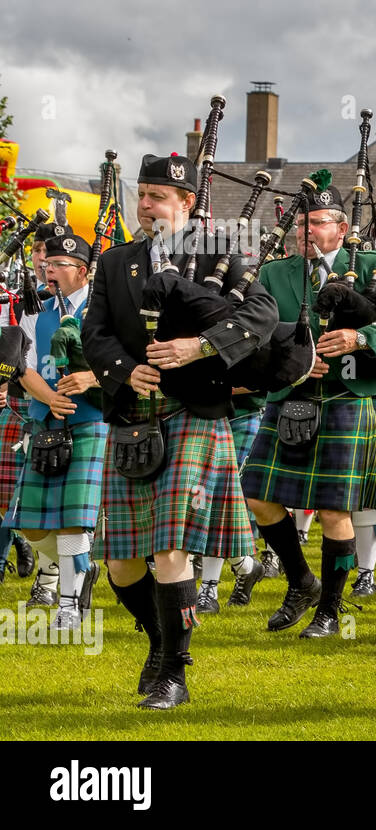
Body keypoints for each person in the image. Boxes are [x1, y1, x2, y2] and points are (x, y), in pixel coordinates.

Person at [84, 152, 279, 708]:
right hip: (133, 417)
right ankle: (160, 639)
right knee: (121, 563)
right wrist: (126, 371)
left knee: (170, 548)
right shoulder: (117, 261)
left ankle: (174, 672)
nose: (145, 206)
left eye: (158, 197)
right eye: (140, 195)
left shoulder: (219, 256)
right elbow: (94, 332)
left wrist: (201, 345)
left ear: (187, 204)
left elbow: (261, 316)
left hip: (193, 413)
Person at [242, 176, 376, 637]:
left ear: (340, 229)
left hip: (345, 399)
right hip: (289, 397)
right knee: (257, 495)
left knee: (334, 509)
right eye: (301, 224)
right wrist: (294, 359)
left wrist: (360, 337)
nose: (307, 232)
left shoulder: (374, 266)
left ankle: (329, 611)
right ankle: (301, 580)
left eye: (317, 223)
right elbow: (254, 331)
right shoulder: (275, 273)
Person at [5, 232, 103, 627]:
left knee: (72, 520)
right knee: (29, 524)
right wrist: (49, 398)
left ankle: (67, 605)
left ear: (81, 271)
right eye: (46, 265)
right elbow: (20, 366)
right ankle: (80, 565)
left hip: (90, 420)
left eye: (59, 265)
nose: (49, 270)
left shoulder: (102, 312)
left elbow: (125, 362)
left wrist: (90, 379)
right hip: (43, 419)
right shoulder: (35, 312)